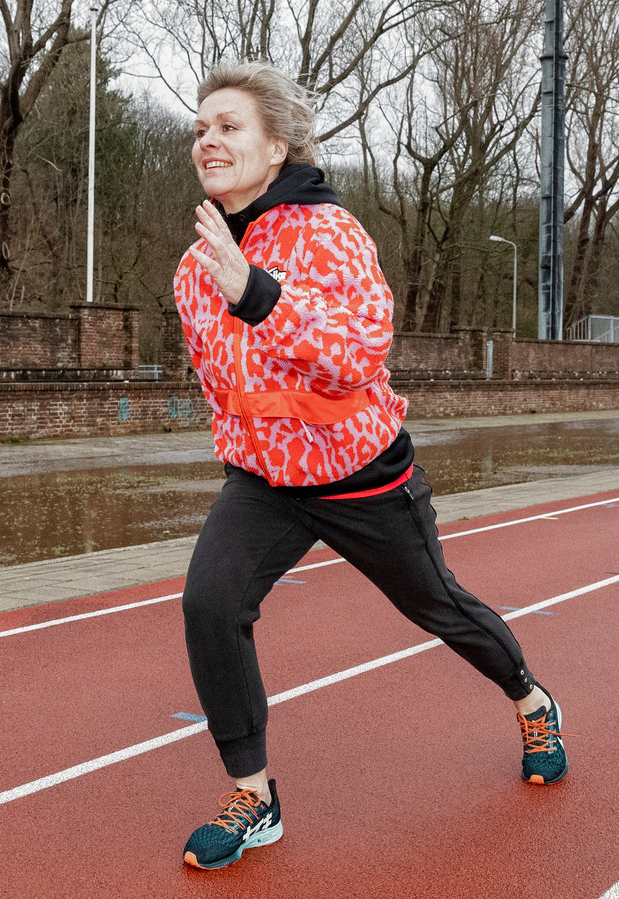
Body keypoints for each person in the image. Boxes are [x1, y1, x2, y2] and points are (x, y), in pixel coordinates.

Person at [174, 60, 568, 872]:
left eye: (229, 126)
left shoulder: (331, 234)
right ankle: (255, 795)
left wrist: (257, 292)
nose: (208, 140)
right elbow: (222, 383)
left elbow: (359, 354)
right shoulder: (194, 268)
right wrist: (242, 453)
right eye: (200, 128)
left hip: (363, 477)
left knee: (438, 605)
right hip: (266, 483)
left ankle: (531, 699)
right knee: (209, 601)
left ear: (277, 144)